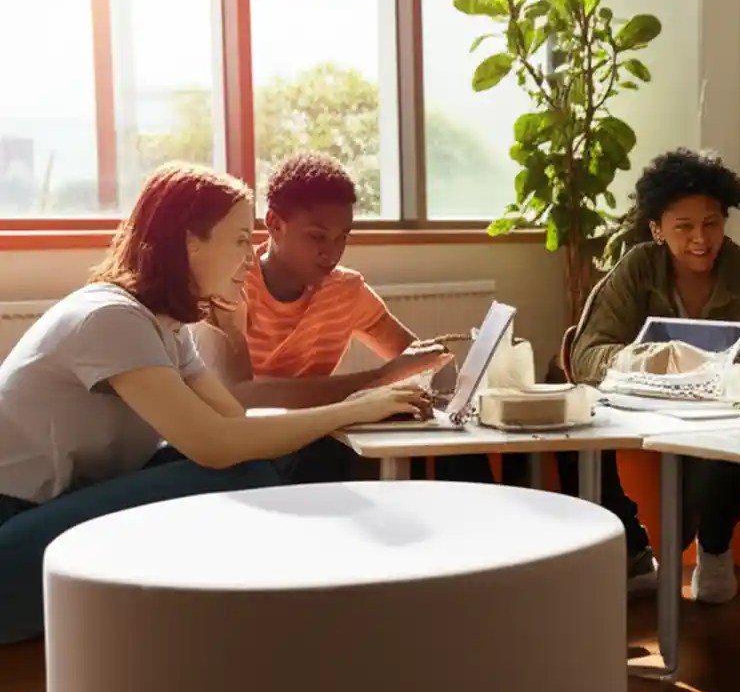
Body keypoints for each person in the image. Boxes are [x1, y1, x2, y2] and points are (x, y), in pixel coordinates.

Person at [0, 163, 429, 644]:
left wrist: (235, 337)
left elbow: (238, 421)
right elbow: (215, 445)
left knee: (260, 464)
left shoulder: (167, 328)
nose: (251, 257)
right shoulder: (110, 318)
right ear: (191, 242)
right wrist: (357, 406)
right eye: (242, 240)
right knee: (238, 475)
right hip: (10, 522)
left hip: (47, 509)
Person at [569, 147, 740, 599]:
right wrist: (645, 360)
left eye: (711, 223)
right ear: (656, 228)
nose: (701, 238)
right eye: (683, 227)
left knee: (724, 450)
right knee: (576, 441)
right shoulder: (637, 269)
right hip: (640, 415)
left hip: (723, 422)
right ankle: (636, 550)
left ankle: (713, 548)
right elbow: (587, 355)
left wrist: (706, 368)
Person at [194, 151, 490, 483]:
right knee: (329, 454)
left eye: (342, 238)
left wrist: (448, 393)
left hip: (319, 435)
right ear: (275, 224)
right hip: (252, 444)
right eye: (317, 236)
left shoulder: (346, 290)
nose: (331, 253)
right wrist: (379, 379)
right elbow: (242, 397)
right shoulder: (233, 283)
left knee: (453, 441)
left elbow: (418, 359)